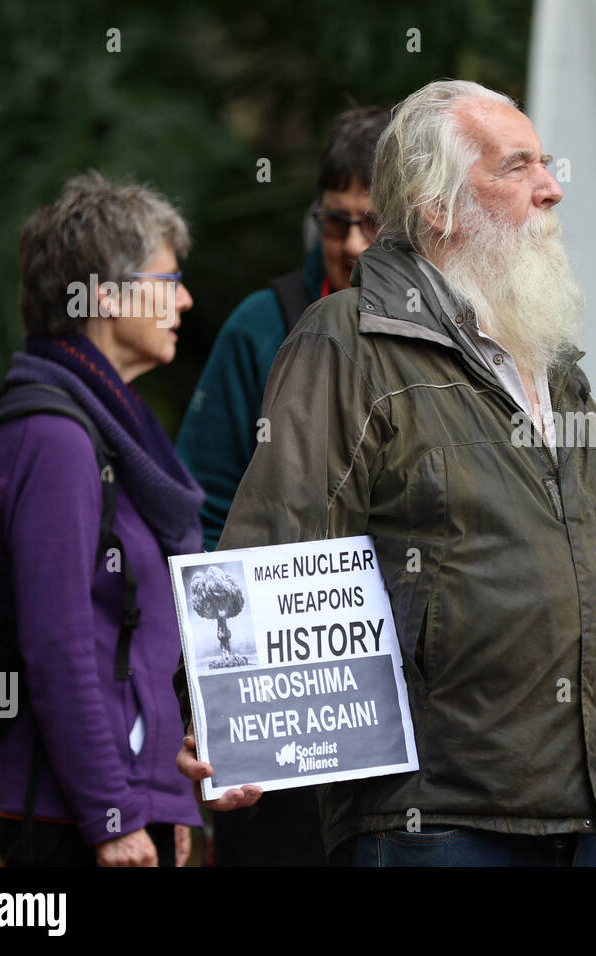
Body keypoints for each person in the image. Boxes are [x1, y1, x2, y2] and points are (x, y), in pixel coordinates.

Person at [176, 80, 596, 867]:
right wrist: (227, 716)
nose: (551, 185)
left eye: (547, 163)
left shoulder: (552, 359)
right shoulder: (347, 341)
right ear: (438, 206)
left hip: (594, 806)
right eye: (518, 166)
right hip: (441, 818)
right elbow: (279, 532)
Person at [174, 104, 388, 867]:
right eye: (336, 223)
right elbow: (196, 513)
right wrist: (220, 689)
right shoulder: (260, 327)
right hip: (279, 695)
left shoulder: (453, 338)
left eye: (372, 224)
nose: (354, 246)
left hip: (401, 707)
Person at [0, 172, 204, 866]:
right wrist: (115, 816)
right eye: (167, 282)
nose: (186, 300)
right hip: (75, 818)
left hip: (123, 803)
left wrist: (165, 792)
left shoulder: (109, 431)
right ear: (106, 295)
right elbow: (61, 641)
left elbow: (124, 639)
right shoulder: (55, 436)